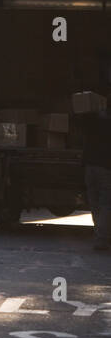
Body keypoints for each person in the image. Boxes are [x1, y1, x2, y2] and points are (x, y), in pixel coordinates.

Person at [77, 94, 111, 251]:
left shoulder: (91, 121)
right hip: (104, 167)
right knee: (105, 203)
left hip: (89, 166)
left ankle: (100, 233)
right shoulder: (107, 124)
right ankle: (102, 238)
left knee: (95, 202)